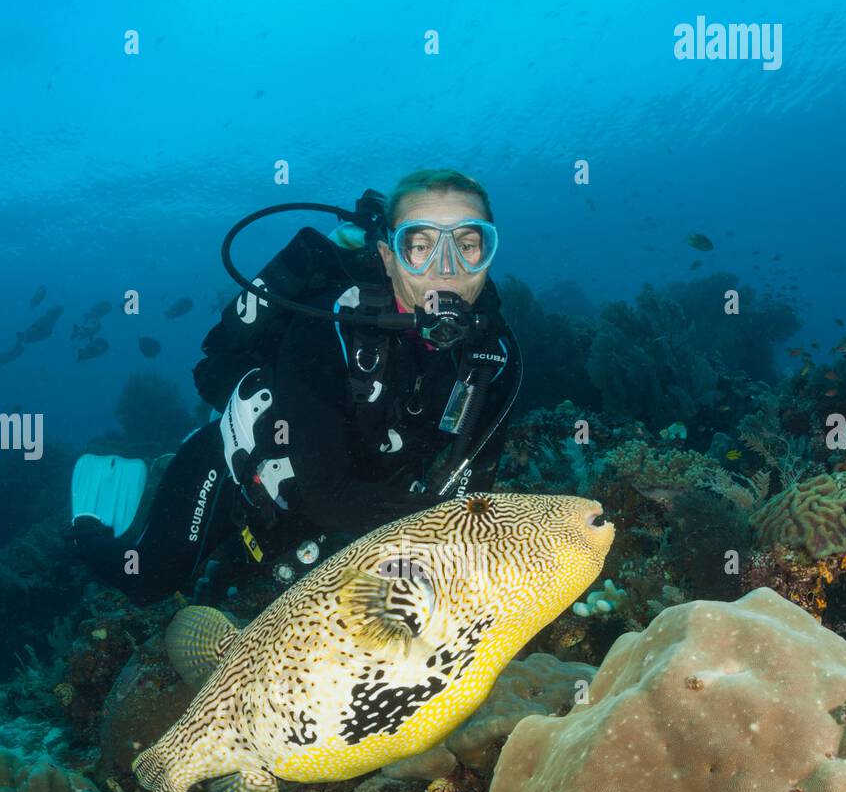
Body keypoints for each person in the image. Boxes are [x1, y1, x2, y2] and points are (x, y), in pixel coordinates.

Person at [71, 168, 522, 604]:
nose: (447, 268)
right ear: (388, 256)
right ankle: (88, 524)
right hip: (242, 471)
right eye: (420, 245)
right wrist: (440, 533)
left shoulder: (494, 357)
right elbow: (331, 497)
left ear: (488, 255)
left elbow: (474, 487)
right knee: (150, 581)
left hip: (355, 505)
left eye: (468, 244)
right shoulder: (325, 327)